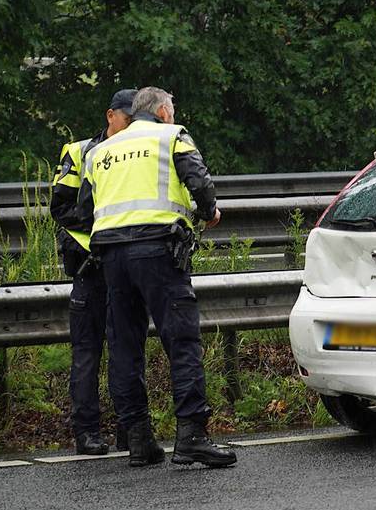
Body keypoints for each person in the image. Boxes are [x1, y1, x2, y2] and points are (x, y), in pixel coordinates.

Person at [74, 86, 236, 469]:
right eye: (173, 110)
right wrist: (209, 213)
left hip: (111, 256)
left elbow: (83, 211)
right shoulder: (172, 137)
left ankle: (139, 441)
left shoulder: (99, 151)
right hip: (160, 251)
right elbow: (200, 183)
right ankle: (192, 437)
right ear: (163, 111)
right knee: (181, 341)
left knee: (125, 346)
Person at [49, 88, 134, 455]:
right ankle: (86, 432)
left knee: (126, 350)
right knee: (87, 352)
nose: (131, 124)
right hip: (90, 265)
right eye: (126, 117)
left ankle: (130, 429)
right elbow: (60, 207)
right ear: (110, 115)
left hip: (126, 266)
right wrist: (100, 216)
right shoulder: (80, 150)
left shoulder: (139, 151)